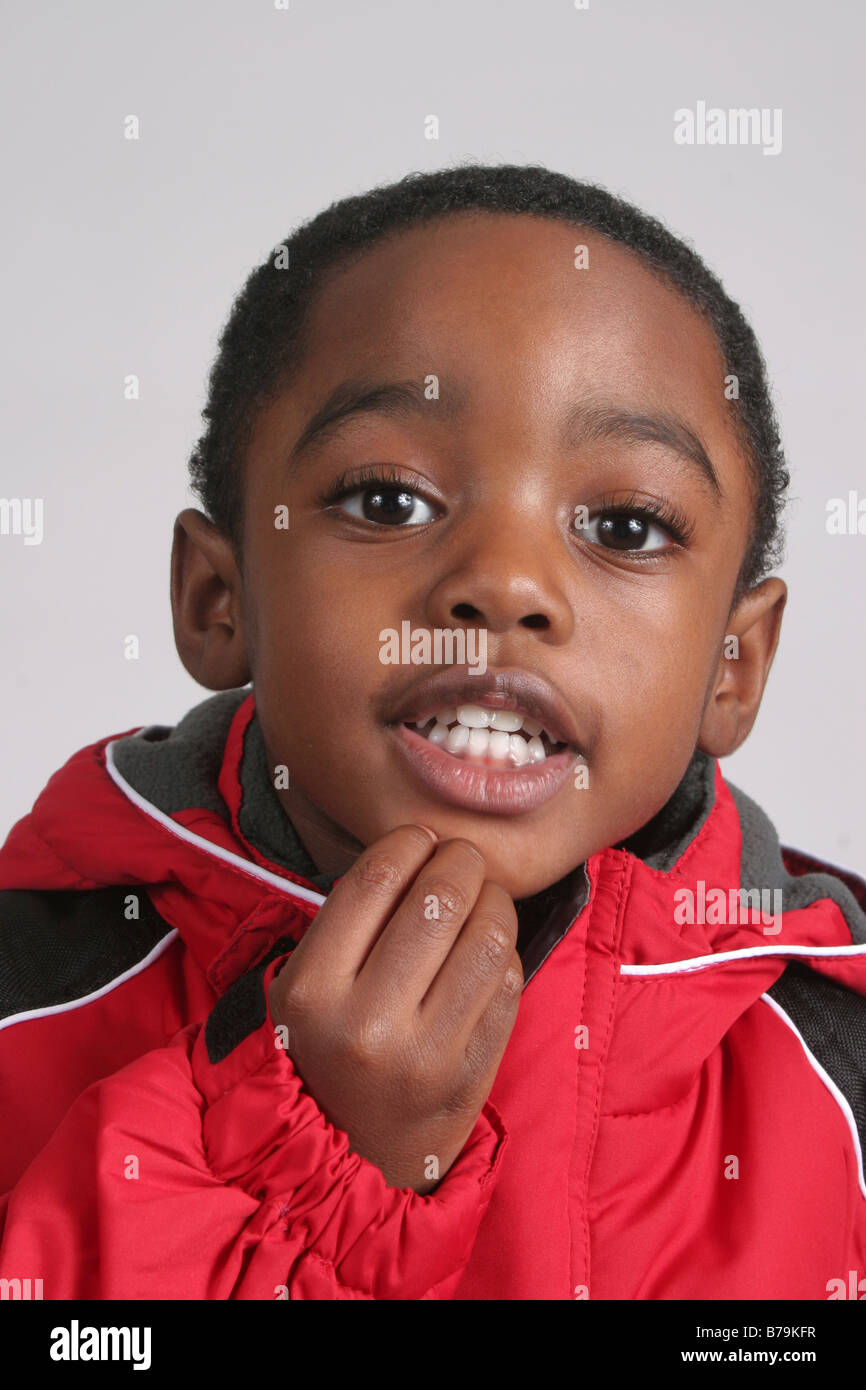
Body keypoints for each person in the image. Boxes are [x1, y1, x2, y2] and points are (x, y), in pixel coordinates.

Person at [1, 164, 864, 1300]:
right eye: (387, 500)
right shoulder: (30, 992)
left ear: (731, 665)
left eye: (621, 523)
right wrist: (304, 1167)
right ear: (220, 599)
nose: (505, 586)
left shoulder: (839, 1067)